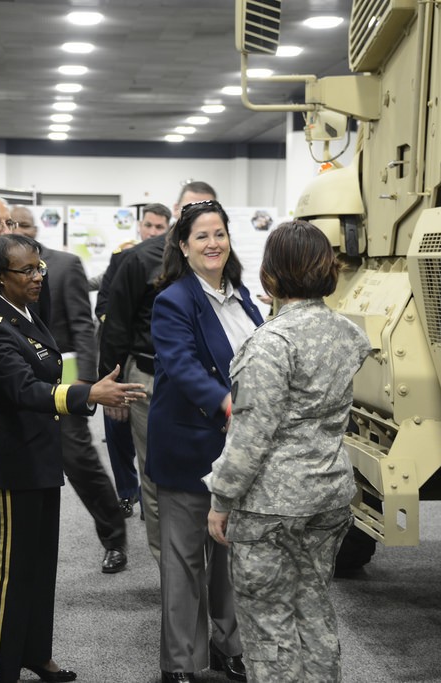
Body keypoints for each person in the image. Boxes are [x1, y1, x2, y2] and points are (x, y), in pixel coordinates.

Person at [0, 234, 145, 682]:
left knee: (39, 566)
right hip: (10, 467)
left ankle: (34, 652)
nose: (37, 276)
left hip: (38, 459)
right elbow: (22, 390)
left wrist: (81, 389)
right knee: (10, 574)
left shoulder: (26, 312)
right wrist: (90, 393)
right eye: (26, 271)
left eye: (39, 267)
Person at [207, 221, 371, 683]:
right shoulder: (347, 333)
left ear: (271, 275)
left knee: (268, 623)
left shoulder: (270, 345)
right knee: (315, 607)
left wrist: (221, 500)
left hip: (270, 507)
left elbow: (250, 436)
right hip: (330, 495)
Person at [148, 199, 262, 683]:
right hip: (190, 447)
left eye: (220, 234)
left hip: (239, 452)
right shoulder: (174, 300)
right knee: (184, 562)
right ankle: (182, 665)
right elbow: (183, 366)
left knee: (230, 560)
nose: (213, 243)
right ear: (183, 245)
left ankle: (227, 645)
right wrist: (226, 403)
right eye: (202, 236)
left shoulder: (244, 296)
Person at [98, 181, 217, 563]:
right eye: (191, 210)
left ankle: (203, 558)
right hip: (148, 379)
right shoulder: (140, 259)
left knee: (209, 469)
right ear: (176, 212)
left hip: (207, 382)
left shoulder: (219, 263)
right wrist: (113, 386)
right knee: (156, 474)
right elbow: (116, 325)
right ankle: (170, 565)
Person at [34, 222, 129, 572]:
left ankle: (113, 537)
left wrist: (87, 385)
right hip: (13, 385)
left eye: (17, 223)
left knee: (78, 460)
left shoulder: (63, 264)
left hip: (65, 385)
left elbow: (81, 324)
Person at [96, 203, 171, 518]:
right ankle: (127, 492)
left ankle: (148, 495)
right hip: (124, 358)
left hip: (154, 362)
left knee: (152, 440)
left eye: (159, 227)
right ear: (140, 226)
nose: (153, 232)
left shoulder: (173, 260)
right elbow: (106, 307)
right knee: (116, 426)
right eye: (149, 226)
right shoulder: (125, 257)